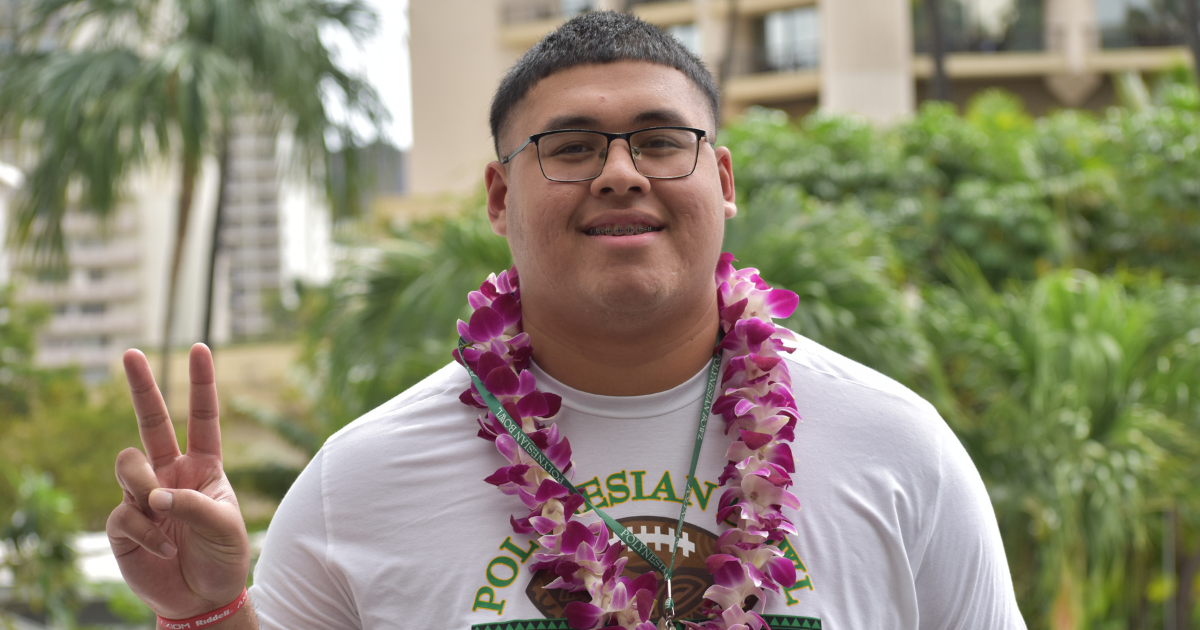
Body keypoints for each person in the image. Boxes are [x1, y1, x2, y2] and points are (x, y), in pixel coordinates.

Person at [107, 12, 1026, 630]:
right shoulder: (362, 479)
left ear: (726, 183)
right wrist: (205, 614)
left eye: (663, 141)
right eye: (572, 147)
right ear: (500, 197)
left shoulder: (899, 446)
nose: (621, 172)